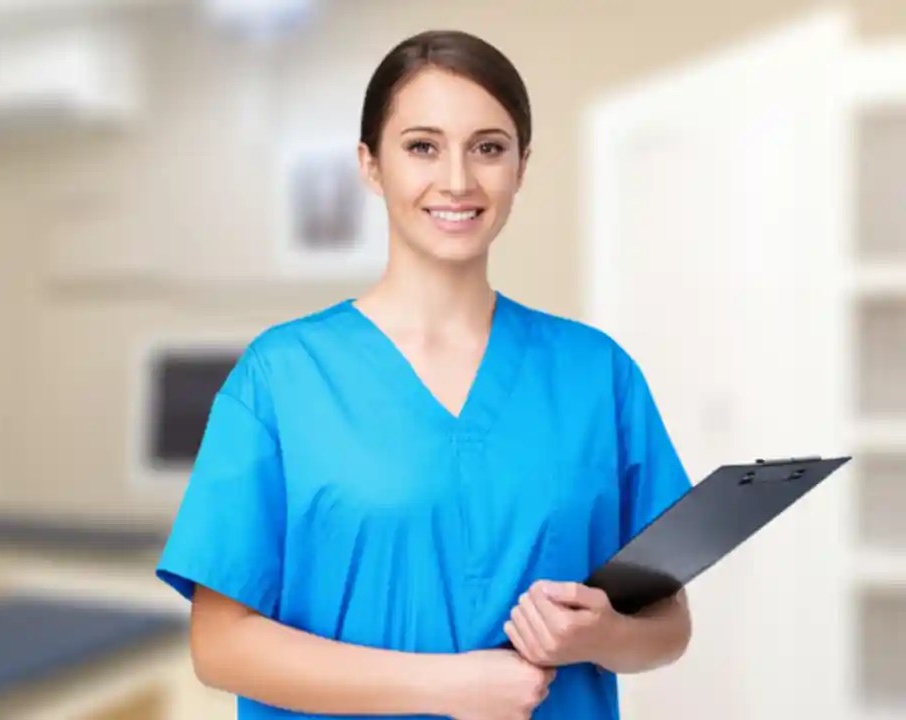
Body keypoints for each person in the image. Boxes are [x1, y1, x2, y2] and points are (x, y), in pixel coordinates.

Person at [156, 29, 692, 720]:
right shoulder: (281, 377)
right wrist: (451, 686)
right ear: (370, 166)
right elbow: (221, 646)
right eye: (422, 147)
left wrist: (604, 633)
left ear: (521, 167)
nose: (458, 181)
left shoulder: (598, 375)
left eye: (489, 148)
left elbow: (669, 623)